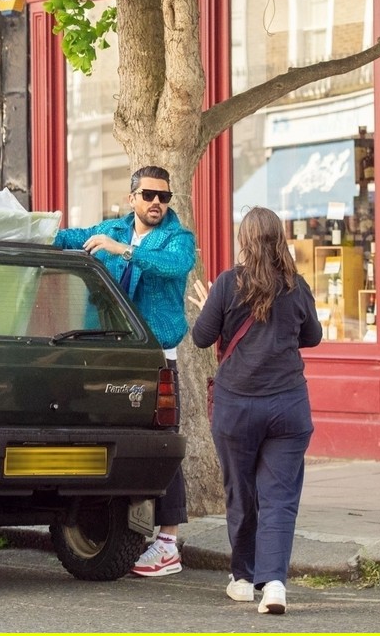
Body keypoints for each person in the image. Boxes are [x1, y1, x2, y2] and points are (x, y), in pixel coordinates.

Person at [51, 165, 197, 577]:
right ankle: (105, 527)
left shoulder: (178, 238)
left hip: (155, 357)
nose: (156, 203)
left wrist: (125, 252)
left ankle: (168, 543)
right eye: (148, 195)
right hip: (109, 355)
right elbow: (64, 239)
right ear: (131, 197)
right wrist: (15, 226)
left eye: (163, 197)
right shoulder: (111, 228)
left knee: (164, 446)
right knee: (108, 443)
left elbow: (173, 266)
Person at [190, 206, 321, 614]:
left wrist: (208, 302)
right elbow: (312, 337)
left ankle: (244, 579)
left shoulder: (228, 284)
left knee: (242, 495)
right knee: (279, 499)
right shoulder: (295, 286)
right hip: (288, 407)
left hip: (236, 408)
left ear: (244, 241)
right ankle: (276, 585)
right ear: (278, 239)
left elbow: (200, 338)